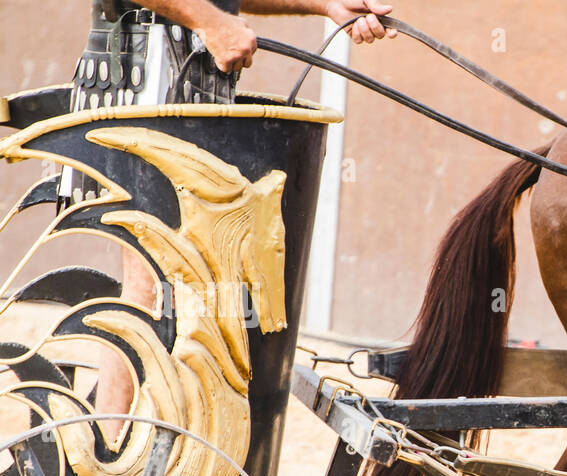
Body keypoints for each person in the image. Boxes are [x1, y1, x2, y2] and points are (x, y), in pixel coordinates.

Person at [60, 0, 399, 433]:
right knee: (152, 286)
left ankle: (131, 442)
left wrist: (325, 4)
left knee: (182, 289)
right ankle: (110, 449)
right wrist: (210, 22)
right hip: (148, 67)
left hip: (189, 76)